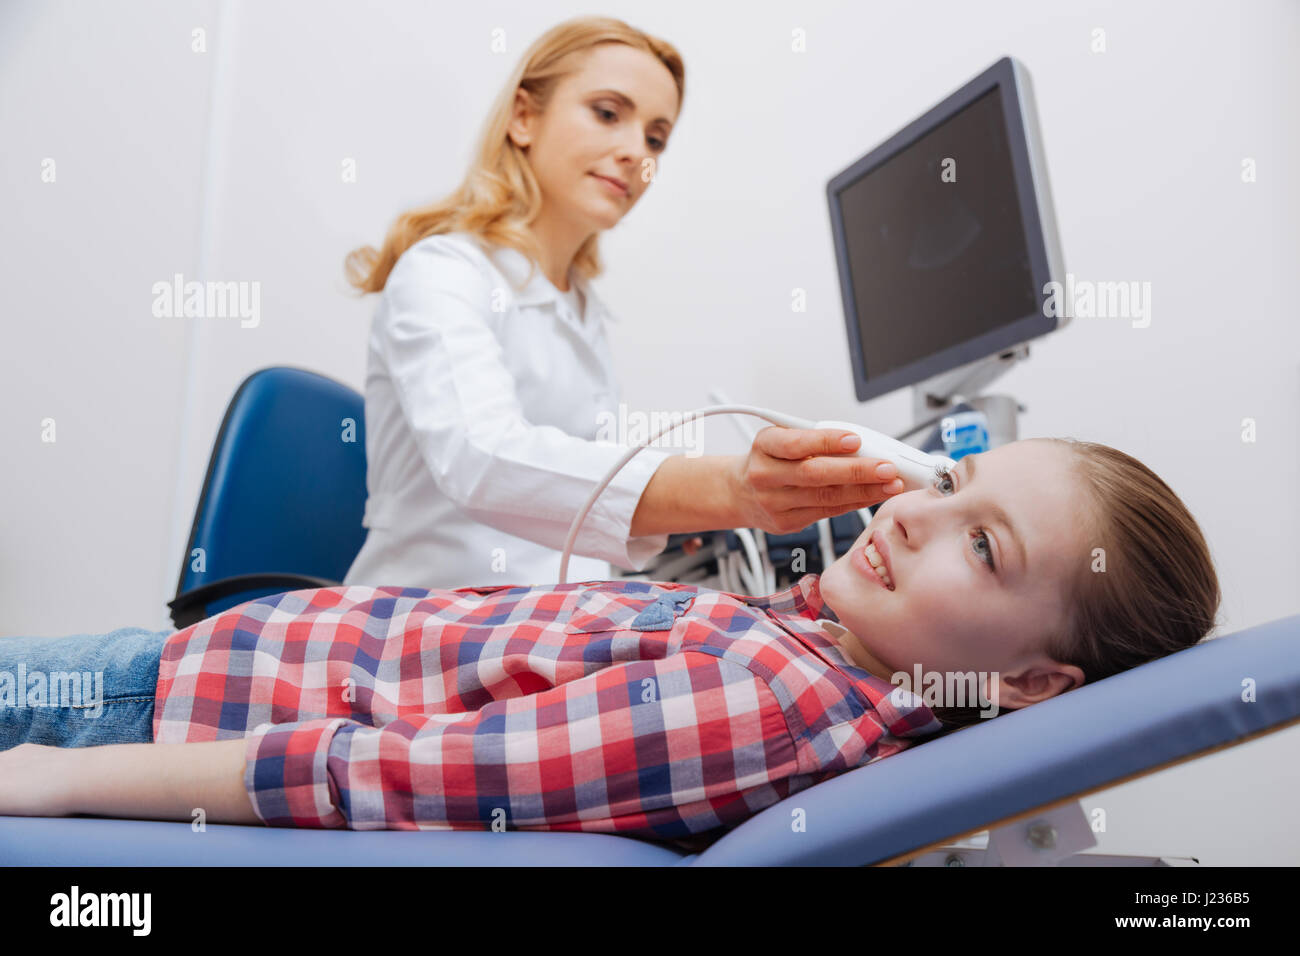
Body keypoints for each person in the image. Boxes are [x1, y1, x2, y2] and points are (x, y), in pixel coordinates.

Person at [0, 438, 1222, 850]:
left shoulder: (767, 703)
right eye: (946, 480)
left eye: (983, 545)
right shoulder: (820, 661)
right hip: (208, 667)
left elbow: (372, 773)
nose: (906, 508)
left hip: (148, 711)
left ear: (1024, 682)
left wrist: (52, 781)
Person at [338, 15, 904, 589]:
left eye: (656, 138)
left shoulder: (581, 312)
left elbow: (575, 504)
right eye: (608, 113)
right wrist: (728, 489)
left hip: (539, 624)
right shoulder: (441, 273)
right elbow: (481, 459)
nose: (637, 152)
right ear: (523, 117)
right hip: (422, 626)